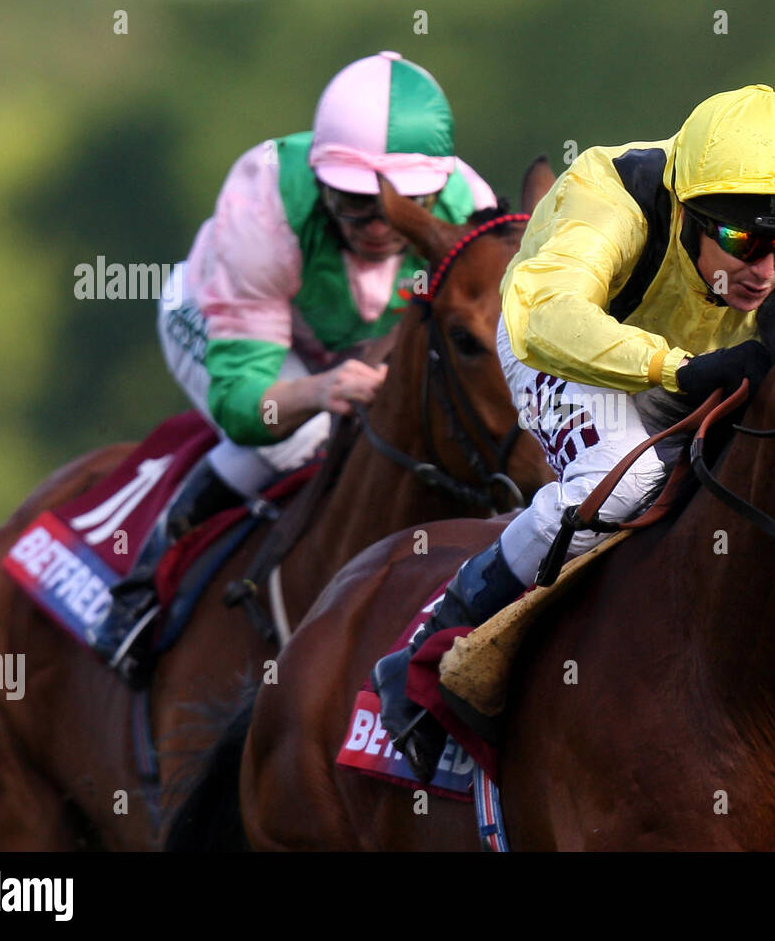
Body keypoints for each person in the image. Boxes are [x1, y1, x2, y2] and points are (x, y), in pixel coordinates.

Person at [371, 84, 775, 780]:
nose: (768, 271)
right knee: (624, 485)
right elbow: (548, 316)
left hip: (682, 362)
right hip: (555, 348)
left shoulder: (755, 243)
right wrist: (680, 369)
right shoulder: (606, 192)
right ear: (687, 210)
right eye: (744, 242)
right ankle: (436, 637)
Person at [93, 51, 497, 687]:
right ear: (320, 176)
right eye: (355, 201)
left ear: (434, 188)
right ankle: (144, 584)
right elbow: (244, 404)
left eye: (401, 205)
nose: (378, 227)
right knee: (300, 440)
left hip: (355, 337)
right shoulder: (264, 206)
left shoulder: (469, 206)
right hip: (224, 325)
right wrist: (318, 387)